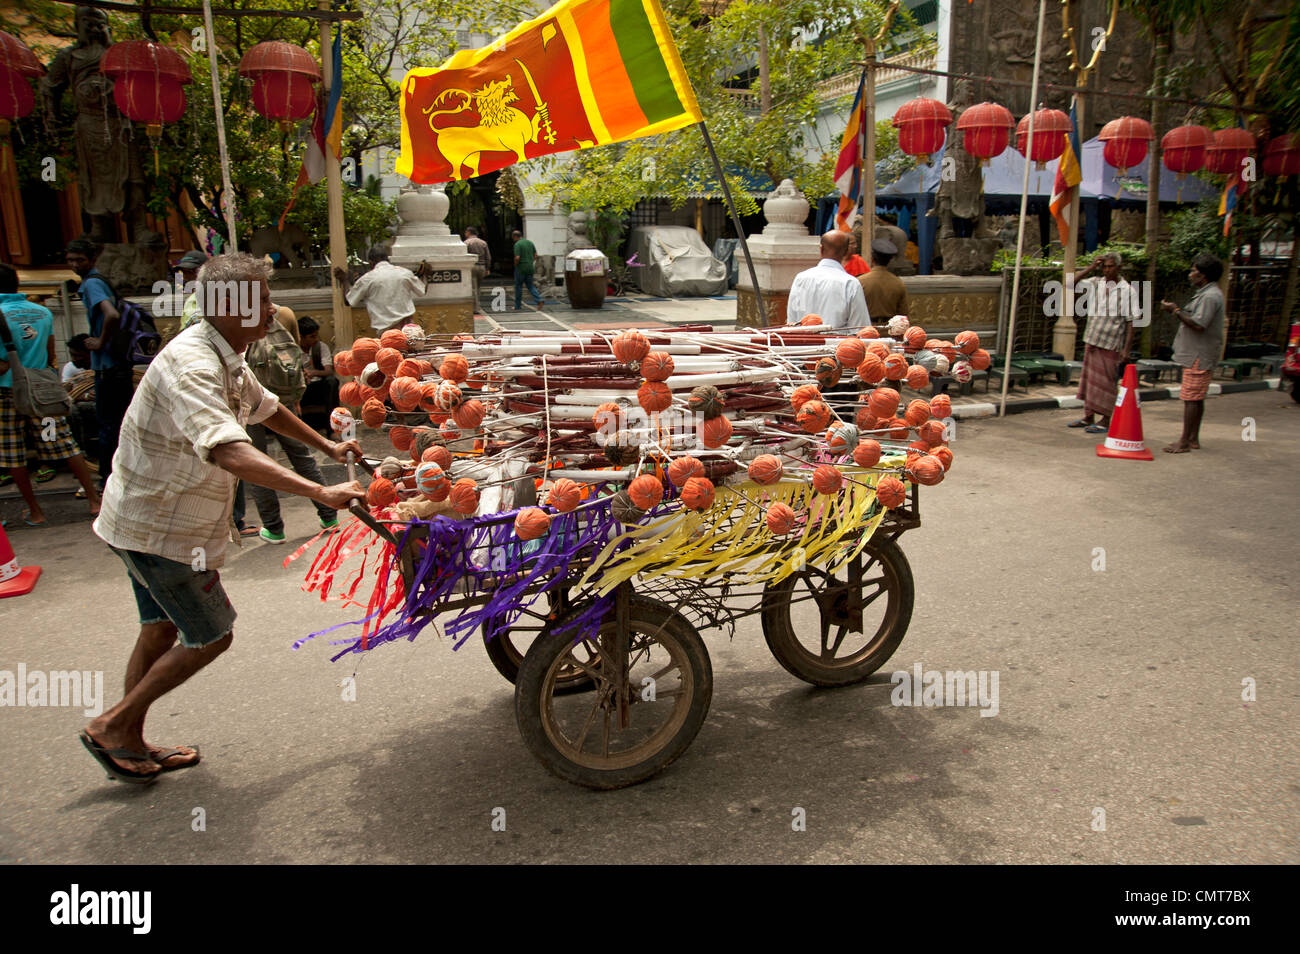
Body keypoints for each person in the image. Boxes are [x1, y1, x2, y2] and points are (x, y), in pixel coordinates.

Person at [83, 252, 364, 783]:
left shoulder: (230, 351)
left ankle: (129, 738)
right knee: (212, 634)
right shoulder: (193, 363)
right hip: (158, 528)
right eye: (257, 300)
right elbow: (228, 450)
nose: (269, 308)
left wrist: (328, 447)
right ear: (224, 306)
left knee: (159, 628)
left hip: (148, 521)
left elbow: (267, 407)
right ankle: (111, 726)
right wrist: (318, 492)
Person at [0, 263, 101, 524]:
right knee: (62, 443)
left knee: (14, 453)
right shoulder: (42, 312)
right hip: (42, 392)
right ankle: (93, 501)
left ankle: (36, 511)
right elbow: (50, 353)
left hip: (8, 393)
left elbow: (1, 364)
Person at [65, 239, 131, 490]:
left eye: (79, 260)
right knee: (118, 423)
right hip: (115, 364)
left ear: (91, 260)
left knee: (109, 425)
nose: (74, 265)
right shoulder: (97, 281)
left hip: (109, 366)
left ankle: (108, 480)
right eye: (71, 260)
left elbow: (111, 314)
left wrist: (99, 341)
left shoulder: (92, 284)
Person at [1161, 253, 1225, 454]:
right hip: (1198, 353)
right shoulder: (1207, 293)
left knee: (1191, 398)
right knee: (1196, 398)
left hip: (1199, 355)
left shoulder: (1210, 296)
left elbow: (1198, 324)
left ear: (1203, 275)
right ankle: (1193, 438)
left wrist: (1175, 310)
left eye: (1194, 270)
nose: (1191, 274)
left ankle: (1184, 442)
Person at [1067, 252, 1137, 434]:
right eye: (1104, 266)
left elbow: (1131, 322)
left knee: (1106, 383)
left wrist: (1126, 350)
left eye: (1110, 266)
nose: (1107, 270)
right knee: (1089, 381)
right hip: (1092, 338)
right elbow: (1070, 284)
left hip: (1111, 342)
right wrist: (1091, 267)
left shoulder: (1127, 290)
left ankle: (1105, 419)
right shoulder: (1096, 282)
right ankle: (1088, 416)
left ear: (1119, 268)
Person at [786, 230, 869, 330]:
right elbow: (860, 328)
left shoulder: (800, 279)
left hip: (802, 344)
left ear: (821, 249)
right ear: (846, 251)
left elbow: (791, 322)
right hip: (837, 344)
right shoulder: (850, 283)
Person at [342, 246, 426, 332]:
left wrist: (344, 280)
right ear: (388, 259)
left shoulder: (367, 279)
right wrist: (425, 274)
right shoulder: (404, 273)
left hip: (385, 331)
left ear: (371, 262)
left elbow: (348, 301)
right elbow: (422, 291)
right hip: (408, 329)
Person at [298, 316, 339, 433]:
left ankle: (332, 430)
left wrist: (312, 373)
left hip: (318, 386)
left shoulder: (320, 347)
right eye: (312, 336)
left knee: (332, 381)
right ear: (301, 337)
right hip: (302, 389)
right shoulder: (293, 350)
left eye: (316, 335)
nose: (316, 339)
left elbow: (329, 371)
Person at [857, 238, 910, 320]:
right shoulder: (898, 283)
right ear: (889, 261)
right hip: (890, 329)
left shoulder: (860, 281)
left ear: (872, 258)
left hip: (867, 329)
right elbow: (903, 314)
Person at [512, 229, 544, 310]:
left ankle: (517, 306)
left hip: (521, 268)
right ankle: (539, 300)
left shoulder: (517, 244)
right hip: (530, 268)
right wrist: (530, 261)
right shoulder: (530, 243)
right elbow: (535, 255)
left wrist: (515, 264)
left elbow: (517, 257)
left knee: (518, 287)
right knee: (530, 286)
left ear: (515, 237)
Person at [464, 226, 491, 311]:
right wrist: (487, 268)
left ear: (469, 233)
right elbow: (488, 257)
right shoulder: (483, 243)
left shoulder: (466, 243)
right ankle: (477, 304)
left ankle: (475, 308)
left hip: (472, 267)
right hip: (482, 267)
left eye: (466, 232)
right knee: (478, 287)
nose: (465, 234)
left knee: (473, 287)